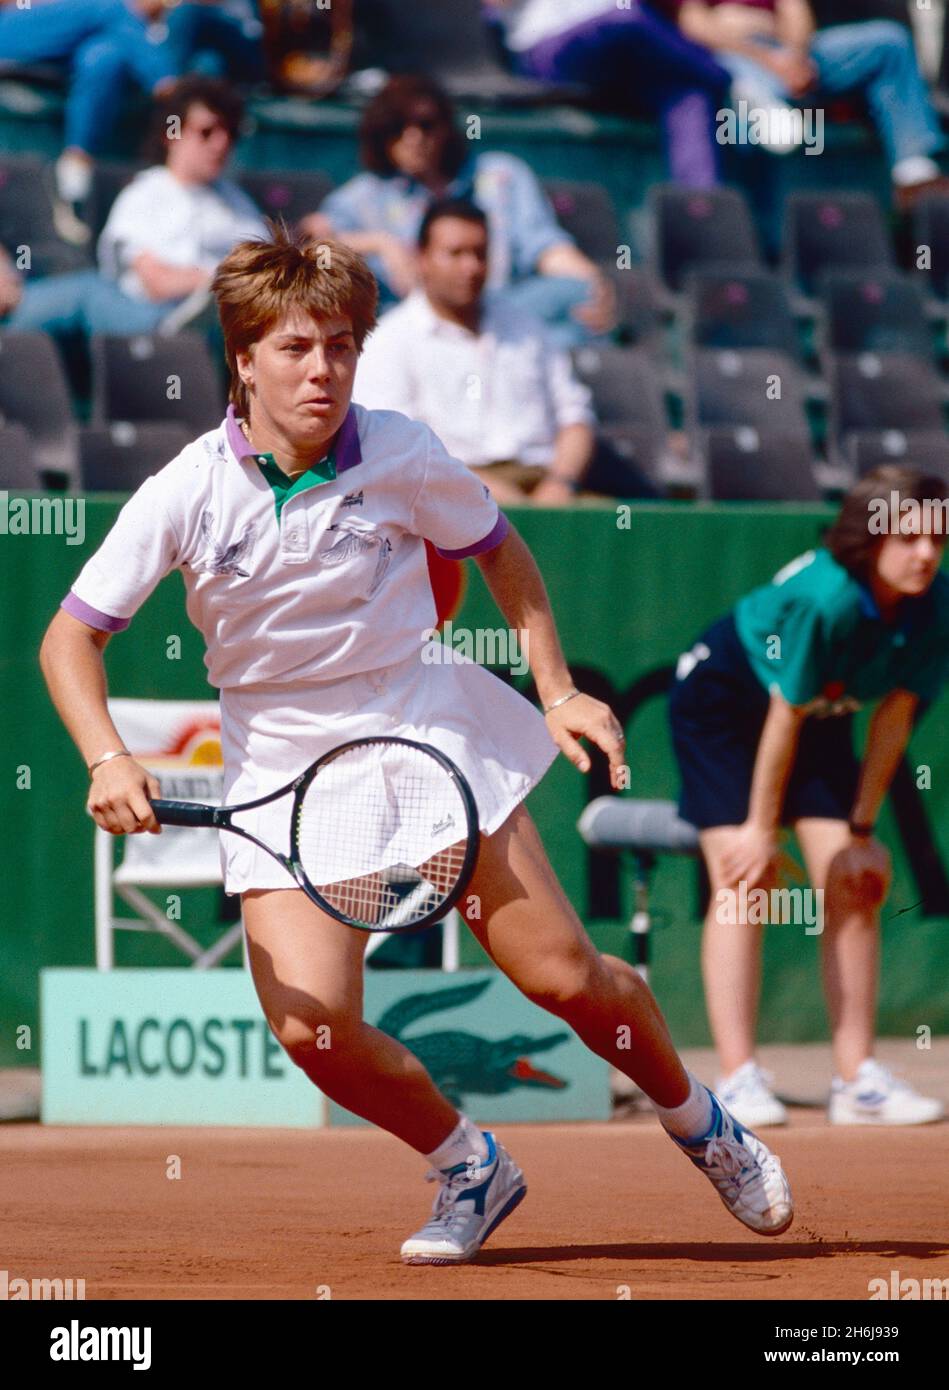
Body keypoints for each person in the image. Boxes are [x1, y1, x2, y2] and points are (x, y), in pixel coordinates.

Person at [39, 223, 793, 1264]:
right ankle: (467, 1163)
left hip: (422, 727)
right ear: (243, 359)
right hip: (279, 767)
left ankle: (700, 1121)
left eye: (341, 346)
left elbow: (500, 551)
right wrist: (106, 754)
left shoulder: (400, 450)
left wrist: (558, 690)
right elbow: (70, 637)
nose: (322, 370)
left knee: (564, 979)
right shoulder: (185, 488)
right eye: (295, 348)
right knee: (308, 1026)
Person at [668, 467, 949, 1128]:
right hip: (724, 707)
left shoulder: (936, 605)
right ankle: (738, 1077)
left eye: (937, 539)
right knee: (745, 877)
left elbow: (893, 717)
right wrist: (759, 829)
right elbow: (782, 716)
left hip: (818, 715)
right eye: (909, 539)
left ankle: (856, 1081)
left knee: (853, 880)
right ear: (868, 541)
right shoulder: (826, 600)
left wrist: (861, 832)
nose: (926, 554)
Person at [355, 199, 658, 504]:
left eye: (479, 253)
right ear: (422, 257)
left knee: (629, 525)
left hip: (547, 486)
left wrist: (560, 483)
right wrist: (494, 496)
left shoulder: (527, 328)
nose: (471, 267)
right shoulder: (390, 341)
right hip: (446, 496)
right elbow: (401, 447)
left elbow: (575, 416)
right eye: (456, 253)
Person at [300, 73, 616, 347]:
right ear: (381, 135)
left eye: (426, 125)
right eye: (397, 127)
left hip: (502, 307)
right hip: (416, 324)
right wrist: (381, 243)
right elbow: (313, 247)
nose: (414, 137)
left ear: (445, 128)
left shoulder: (500, 175)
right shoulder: (363, 196)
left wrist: (596, 285)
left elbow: (544, 246)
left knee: (583, 297)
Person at [5, 78, 266, 340]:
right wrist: (220, 281)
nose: (221, 144)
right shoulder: (144, 193)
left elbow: (266, 275)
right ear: (172, 134)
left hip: (229, 317)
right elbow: (156, 283)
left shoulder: (239, 202)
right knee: (90, 291)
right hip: (149, 317)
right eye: (206, 132)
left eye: (230, 134)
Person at [0, 2, 262, 237]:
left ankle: (74, 180)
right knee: (110, 7)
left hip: (78, 38)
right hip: (14, 30)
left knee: (104, 57)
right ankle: (171, 92)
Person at [666, 0, 949, 208]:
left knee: (888, 43)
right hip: (728, 57)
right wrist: (766, 58)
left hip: (784, 54)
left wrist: (793, 57)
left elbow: (798, 17)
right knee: (726, 71)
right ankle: (758, 104)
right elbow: (695, 26)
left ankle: (915, 174)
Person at [483, 0, 731, 189]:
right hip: (547, 49)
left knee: (687, 96)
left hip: (622, 57)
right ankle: (721, 76)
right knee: (627, 16)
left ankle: (699, 212)